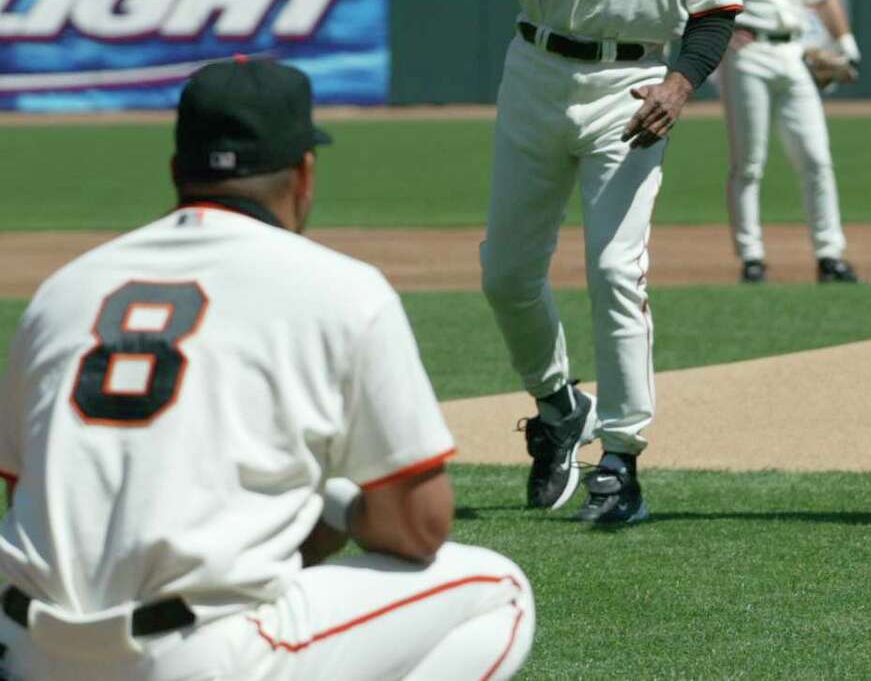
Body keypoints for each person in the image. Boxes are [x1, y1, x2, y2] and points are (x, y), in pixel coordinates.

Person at [0, 59, 534, 680]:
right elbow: (419, 524)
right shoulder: (342, 289)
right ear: (304, 173)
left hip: (24, 647)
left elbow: (28, 492)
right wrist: (336, 507)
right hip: (196, 657)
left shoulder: (64, 291)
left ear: (176, 169)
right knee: (501, 592)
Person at [412, 0, 742, 527]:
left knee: (616, 269)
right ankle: (559, 405)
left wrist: (681, 85)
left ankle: (621, 457)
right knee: (505, 273)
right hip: (535, 71)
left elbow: (713, 13)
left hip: (631, 89)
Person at [719, 0, 862, 284]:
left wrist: (846, 47)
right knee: (749, 162)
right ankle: (752, 257)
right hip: (748, 55)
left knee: (816, 158)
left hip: (795, 52)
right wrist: (721, 35)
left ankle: (830, 255)